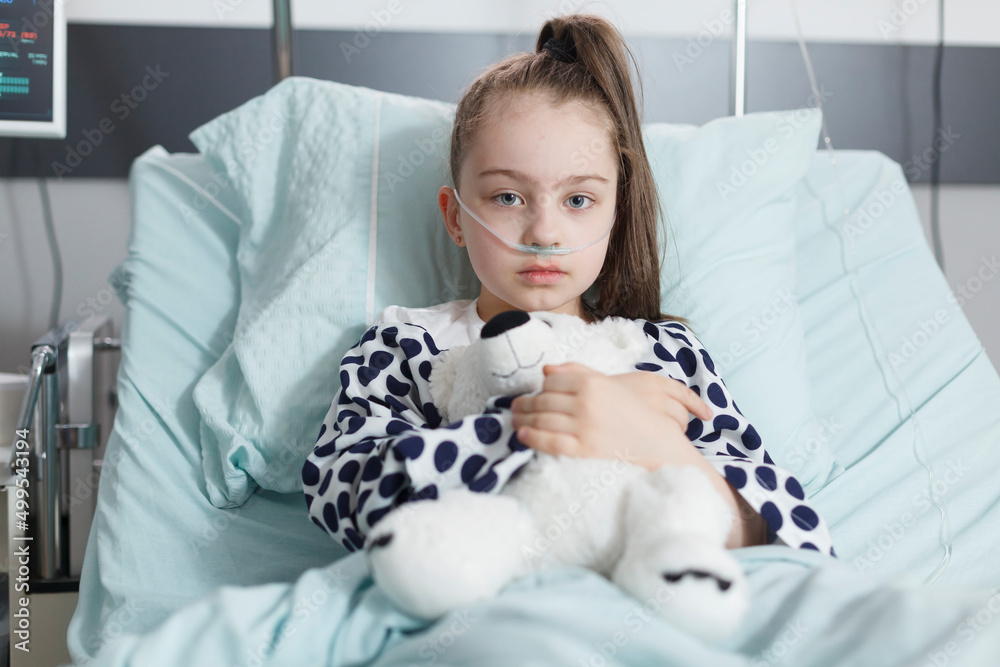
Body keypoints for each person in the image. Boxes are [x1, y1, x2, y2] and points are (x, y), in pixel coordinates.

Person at [302, 13, 835, 559]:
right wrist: (542, 421)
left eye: (578, 200)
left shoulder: (666, 357)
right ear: (455, 217)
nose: (545, 233)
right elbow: (343, 494)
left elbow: (791, 534)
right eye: (508, 197)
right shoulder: (406, 347)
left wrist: (650, 440)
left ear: (615, 216)